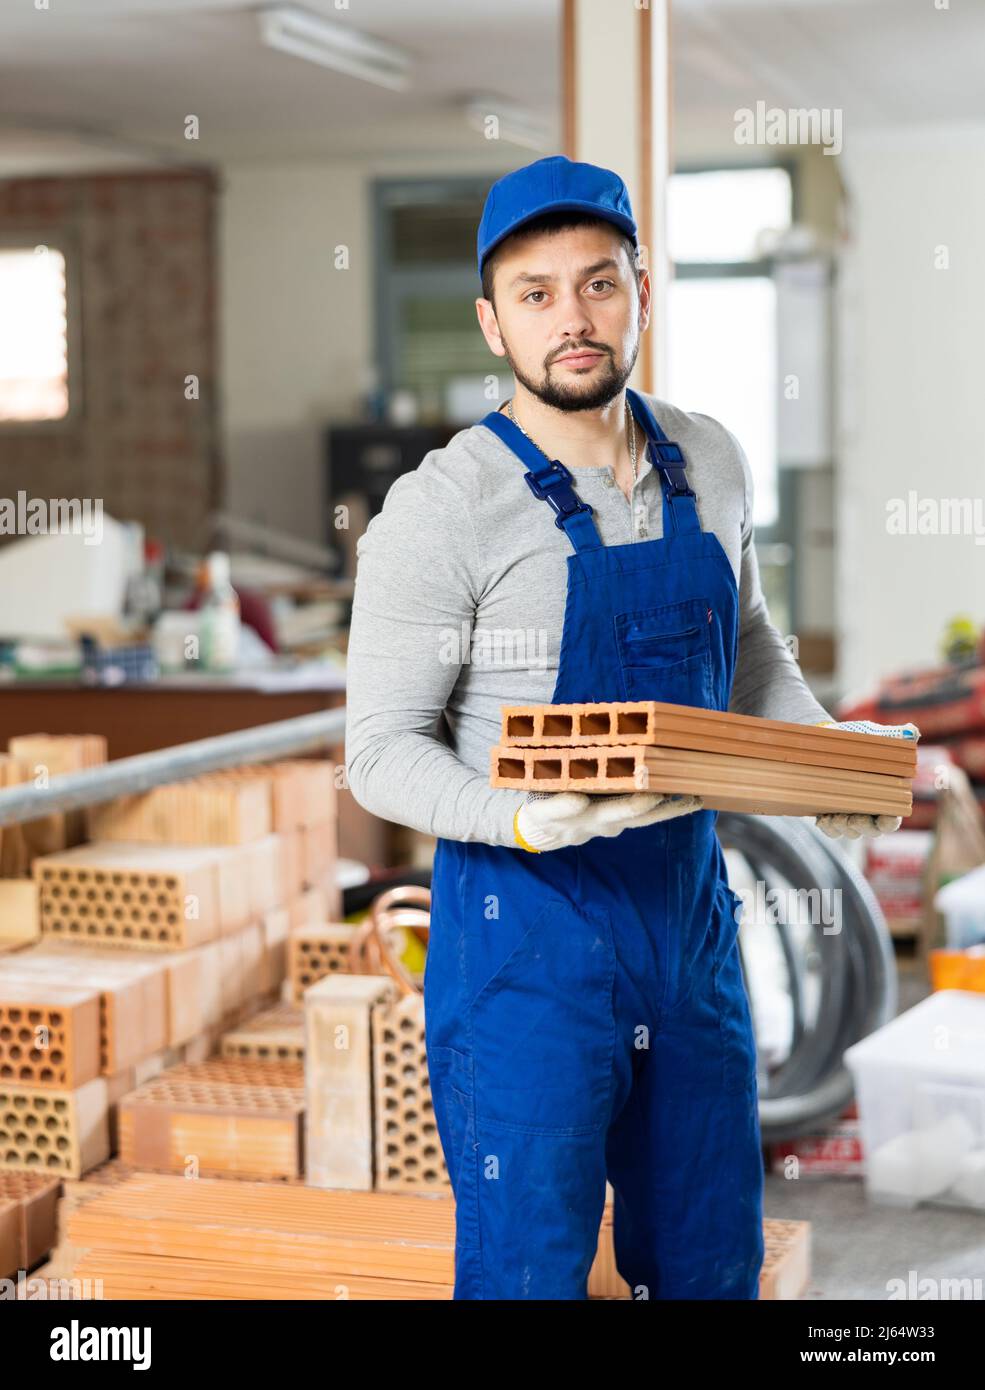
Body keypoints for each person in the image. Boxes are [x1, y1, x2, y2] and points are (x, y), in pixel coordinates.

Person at [345, 155, 912, 1300]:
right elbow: (378, 750)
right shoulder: (442, 508)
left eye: (599, 284)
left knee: (708, 1253)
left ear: (642, 292)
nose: (574, 319)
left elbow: (751, 651)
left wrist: (824, 768)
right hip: (525, 944)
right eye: (537, 293)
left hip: (688, 923)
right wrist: (524, 816)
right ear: (491, 323)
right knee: (528, 1268)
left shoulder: (710, 459)